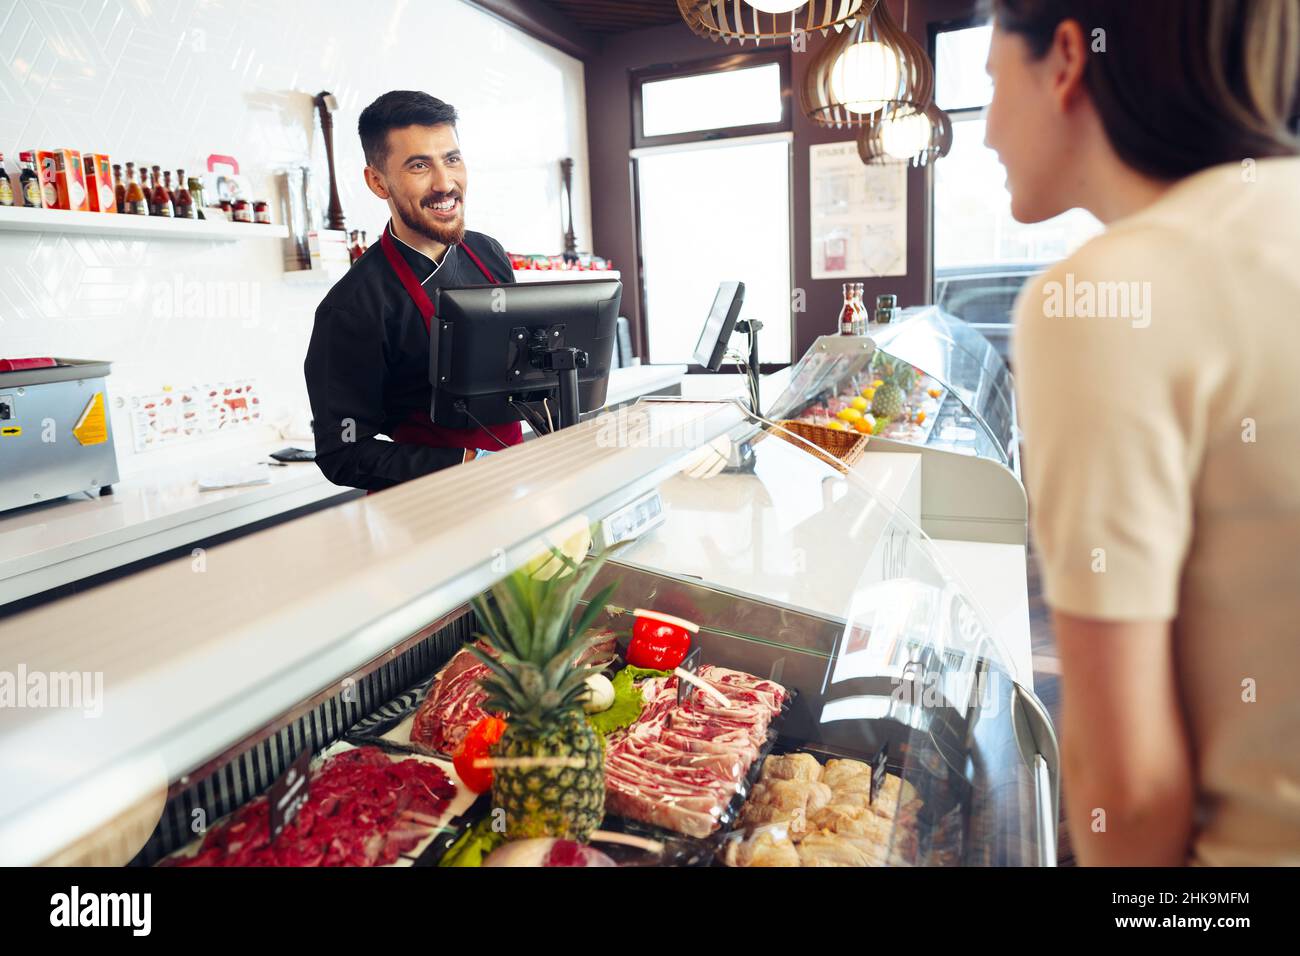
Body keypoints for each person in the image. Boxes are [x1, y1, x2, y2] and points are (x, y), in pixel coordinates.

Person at [988, 0, 1300, 865]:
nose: (983, 134)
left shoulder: (1106, 296)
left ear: (1064, 59)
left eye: (986, 82)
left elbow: (1127, 798)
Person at [304, 91, 521, 492]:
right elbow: (344, 452)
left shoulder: (488, 253)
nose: (445, 183)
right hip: (424, 506)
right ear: (377, 182)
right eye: (419, 166)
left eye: (452, 159)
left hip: (513, 477)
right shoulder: (353, 306)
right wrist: (466, 462)